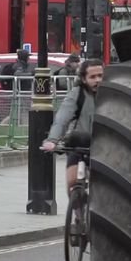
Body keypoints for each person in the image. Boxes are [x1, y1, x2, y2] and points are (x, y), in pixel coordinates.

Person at [40, 59, 104, 193]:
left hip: (105, 148)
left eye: (100, 76)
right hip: (81, 144)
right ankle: (77, 209)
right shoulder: (77, 94)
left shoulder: (113, 95)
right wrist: (52, 140)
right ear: (84, 79)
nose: (97, 80)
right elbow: (62, 118)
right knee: (72, 182)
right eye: (92, 77)